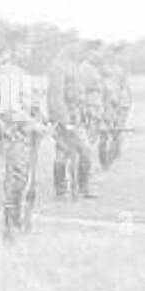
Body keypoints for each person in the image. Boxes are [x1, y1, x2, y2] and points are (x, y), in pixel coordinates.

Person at [0, 27, 45, 242]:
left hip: (27, 135)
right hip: (13, 135)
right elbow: (7, 109)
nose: (30, 49)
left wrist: (40, 117)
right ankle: (9, 228)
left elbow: (30, 103)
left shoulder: (23, 74)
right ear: (15, 47)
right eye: (26, 45)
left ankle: (16, 222)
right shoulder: (8, 73)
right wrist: (31, 123)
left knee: (23, 180)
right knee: (15, 181)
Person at [46, 39, 96, 198]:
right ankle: (61, 191)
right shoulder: (58, 68)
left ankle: (83, 188)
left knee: (85, 151)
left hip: (76, 116)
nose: (87, 55)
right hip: (63, 117)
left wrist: (86, 114)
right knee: (62, 153)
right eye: (84, 52)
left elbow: (81, 94)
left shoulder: (78, 68)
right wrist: (64, 121)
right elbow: (56, 97)